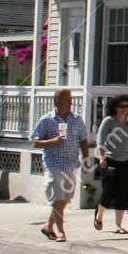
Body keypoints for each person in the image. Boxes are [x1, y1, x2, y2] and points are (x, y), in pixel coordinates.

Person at [30, 87, 88, 242]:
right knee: (58, 198)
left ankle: (48, 226)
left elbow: (83, 139)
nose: (71, 102)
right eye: (67, 99)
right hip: (53, 162)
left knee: (65, 199)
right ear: (57, 102)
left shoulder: (76, 119)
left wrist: (86, 158)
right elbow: (35, 142)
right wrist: (53, 141)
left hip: (71, 163)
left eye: (71, 99)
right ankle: (61, 231)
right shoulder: (47, 120)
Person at [94, 94, 128, 233]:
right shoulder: (108, 122)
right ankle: (99, 215)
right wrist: (101, 158)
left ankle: (118, 225)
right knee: (108, 192)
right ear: (115, 107)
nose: (124, 109)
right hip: (110, 161)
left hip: (127, 162)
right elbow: (100, 142)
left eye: (126, 106)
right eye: (121, 106)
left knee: (123, 193)